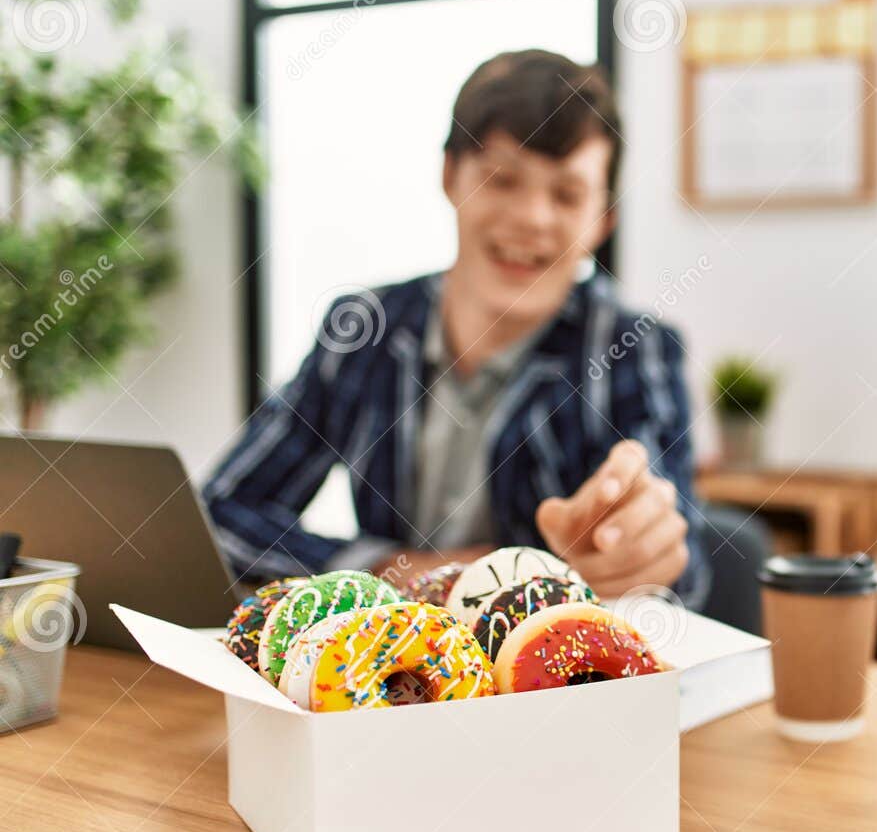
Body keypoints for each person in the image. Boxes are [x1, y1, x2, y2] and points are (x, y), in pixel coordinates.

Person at [204, 49, 707, 608]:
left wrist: (644, 550)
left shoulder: (636, 350)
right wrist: (388, 569)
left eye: (566, 195)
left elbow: (681, 570)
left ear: (603, 220)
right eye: (501, 179)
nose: (532, 218)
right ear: (450, 177)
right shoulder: (364, 329)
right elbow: (223, 510)